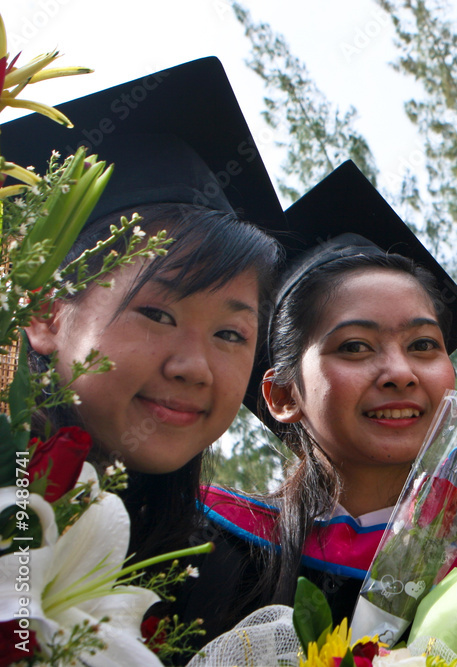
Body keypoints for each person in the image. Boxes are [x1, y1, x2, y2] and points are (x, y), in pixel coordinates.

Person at [172, 160, 457, 644]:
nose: (400, 374)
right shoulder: (206, 545)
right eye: (355, 346)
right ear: (282, 395)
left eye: (423, 345)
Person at [11, 58, 284, 563]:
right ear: (47, 315)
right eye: (159, 315)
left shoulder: (228, 576)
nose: (195, 367)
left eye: (230, 334)